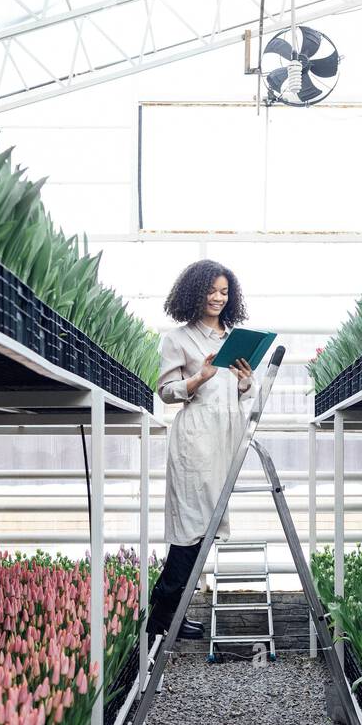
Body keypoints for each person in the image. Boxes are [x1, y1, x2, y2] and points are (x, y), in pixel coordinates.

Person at [146, 259, 257, 641]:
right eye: (211, 291)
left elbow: (244, 396)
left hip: (225, 436)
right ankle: (162, 612)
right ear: (195, 293)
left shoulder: (235, 338)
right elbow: (164, 392)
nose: (218, 298)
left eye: (224, 292)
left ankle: (167, 614)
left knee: (208, 529)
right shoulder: (178, 339)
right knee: (190, 529)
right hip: (195, 440)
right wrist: (199, 377)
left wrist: (244, 382)